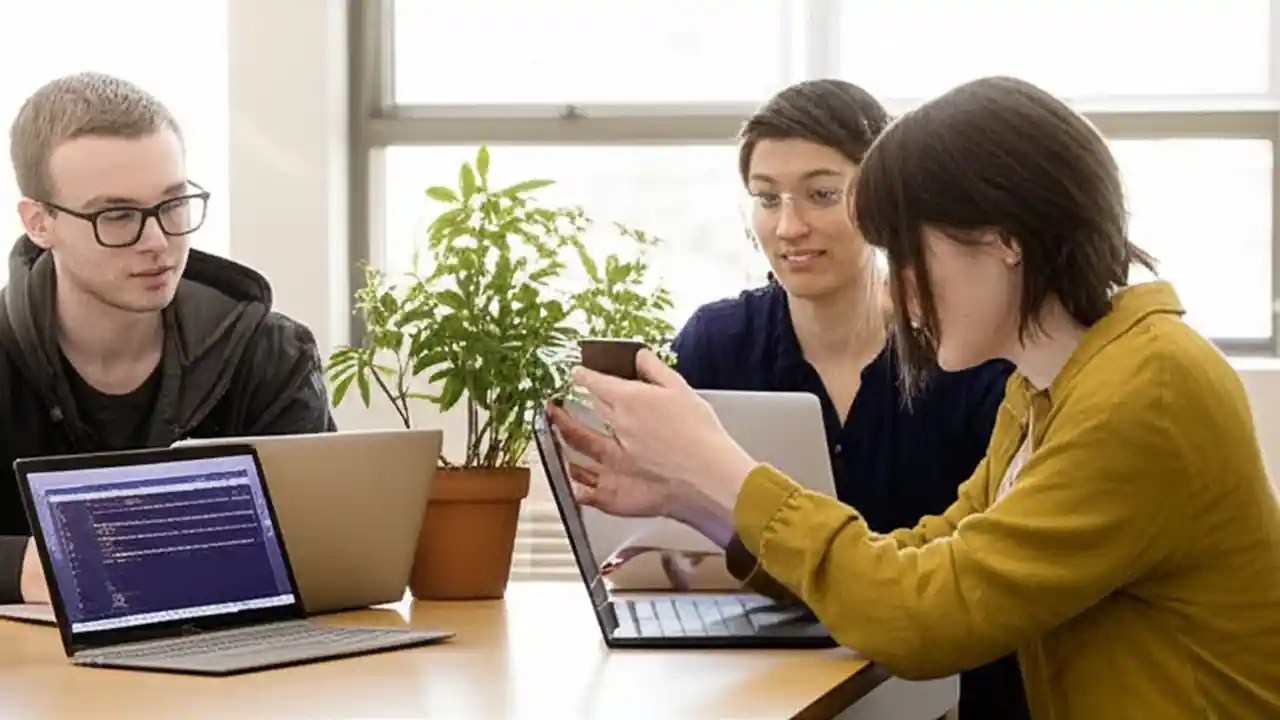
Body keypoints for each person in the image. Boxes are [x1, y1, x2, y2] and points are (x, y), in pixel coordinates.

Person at [550, 75, 1280, 717]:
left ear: (1003, 238)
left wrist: (716, 461)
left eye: (907, 252)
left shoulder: (1143, 393)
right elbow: (909, 561)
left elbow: (923, 616)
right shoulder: (1051, 389)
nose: (897, 288)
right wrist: (692, 495)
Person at [614, 78, 1025, 718]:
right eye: (766, 198)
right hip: (769, 686)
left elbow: (970, 577)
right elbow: (667, 558)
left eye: (822, 194)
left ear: (887, 198)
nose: (790, 225)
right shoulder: (718, 343)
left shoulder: (965, 349)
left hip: (948, 686)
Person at [0, 72, 335, 606]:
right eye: (117, 215)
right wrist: (23, 566)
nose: (157, 242)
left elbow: (322, 545)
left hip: (241, 672)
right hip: (22, 682)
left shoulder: (270, 354)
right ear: (40, 223)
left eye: (173, 204)